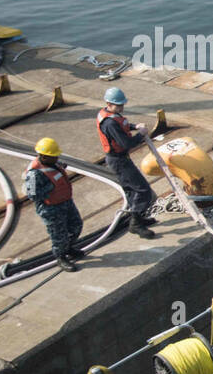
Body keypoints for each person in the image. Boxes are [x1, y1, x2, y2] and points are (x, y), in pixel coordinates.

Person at [96, 87, 157, 239]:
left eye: (122, 105)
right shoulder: (109, 123)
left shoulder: (110, 116)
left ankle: (138, 218)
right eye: (118, 105)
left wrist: (134, 126)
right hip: (118, 160)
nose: (121, 108)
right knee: (142, 190)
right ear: (108, 104)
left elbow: (121, 125)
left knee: (131, 190)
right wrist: (140, 135)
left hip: (119, 159)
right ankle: (135, 224)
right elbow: (126, 143)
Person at [23, 138, 84, 272]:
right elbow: (32, 195)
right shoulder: (34, 173)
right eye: (53, 156)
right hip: (51, 208)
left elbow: (56, 170)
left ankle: (69, 248)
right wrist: (50, 187)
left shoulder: (53, 164)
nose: (56, 158)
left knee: (76, 226)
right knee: (58, 235)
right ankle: (61, 257)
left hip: (66, 202)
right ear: (44, 157)